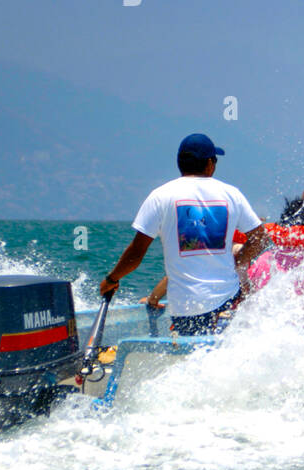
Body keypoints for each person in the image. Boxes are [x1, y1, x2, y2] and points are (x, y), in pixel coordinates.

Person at [100, 134, 266, 335]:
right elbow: (260, 239)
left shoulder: (160, 196)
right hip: (229, 300)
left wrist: (111, 280)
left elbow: (136, 253)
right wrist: (239, 259)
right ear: (209, 164)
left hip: (186, 307)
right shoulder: (232, 194)